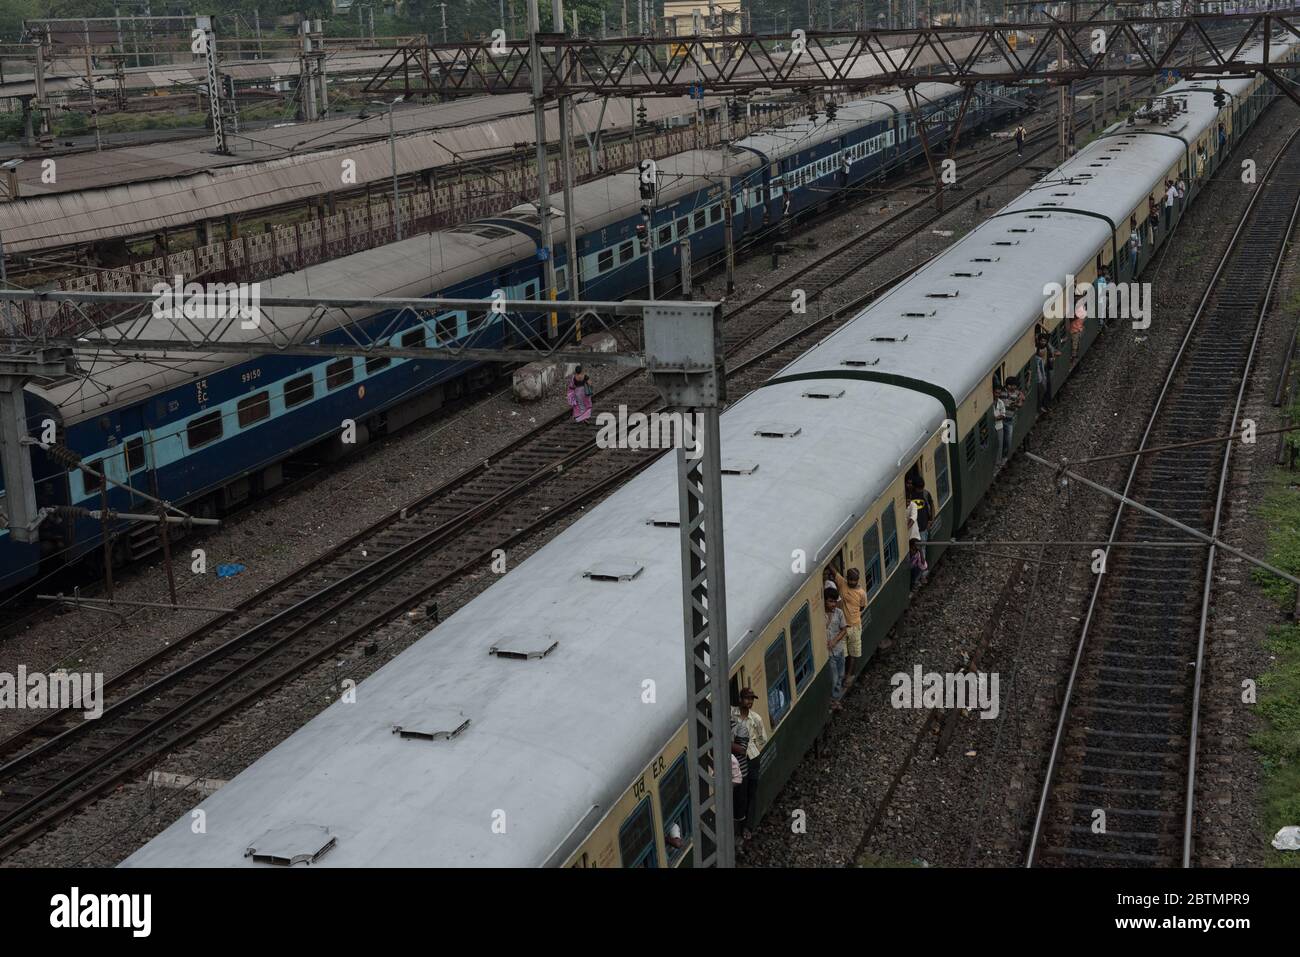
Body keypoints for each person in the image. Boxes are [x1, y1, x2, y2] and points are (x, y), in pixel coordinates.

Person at [730, 687, 767, 842]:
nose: (749, 702)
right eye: (747, 698)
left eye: (751, 699)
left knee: (751, 793)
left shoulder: (756, 719)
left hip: (751, 759)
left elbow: (762, 739)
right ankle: (738, 823)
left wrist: (750, 746)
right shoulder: (732, 713)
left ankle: (747, 826)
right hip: (736, 759)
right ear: (740, 699)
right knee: (740, 793)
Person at [826, 565, 867, 683]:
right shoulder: (842, 583)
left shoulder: (861, 593)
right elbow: (834, 571)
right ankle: (841, 675)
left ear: (858, 580)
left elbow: (862, 607)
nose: (852, 582)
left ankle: (848, 676)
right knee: (843, 653)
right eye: (850, 579)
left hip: (855, 627)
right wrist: (828, 563)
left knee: (853, 654)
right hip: (842, 627)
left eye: (854, 580)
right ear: (847, 578)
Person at [824, 584, 848, 711]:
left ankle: (835, 699)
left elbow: (844, 630)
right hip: (829, 654)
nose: (833, 604)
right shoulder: (821, 616)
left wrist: (834, 640)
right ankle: (832, 700)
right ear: (825, 601)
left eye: (834, 601)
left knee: (840, 675)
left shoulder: (839, 613)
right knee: (833, 678)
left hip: (838, 649)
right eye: (830, 601)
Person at [993, 383, 1009, 467]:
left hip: (999, 426)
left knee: (1000, 444)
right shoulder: (990, 403)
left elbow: (1003, 415)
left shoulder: (1000, 403)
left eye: (999, 393)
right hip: (992, 428)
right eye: (996, 393)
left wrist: (995, 418)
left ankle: (998, 462)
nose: (997, 395)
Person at [1069, 301, 1086, 366]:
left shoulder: (1079, 309)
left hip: (1077, 330)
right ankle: (1074, 357)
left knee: (1076, 344)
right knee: (1075, 344)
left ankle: (1074, 357)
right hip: (1076, 330)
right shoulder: (1080, 309)